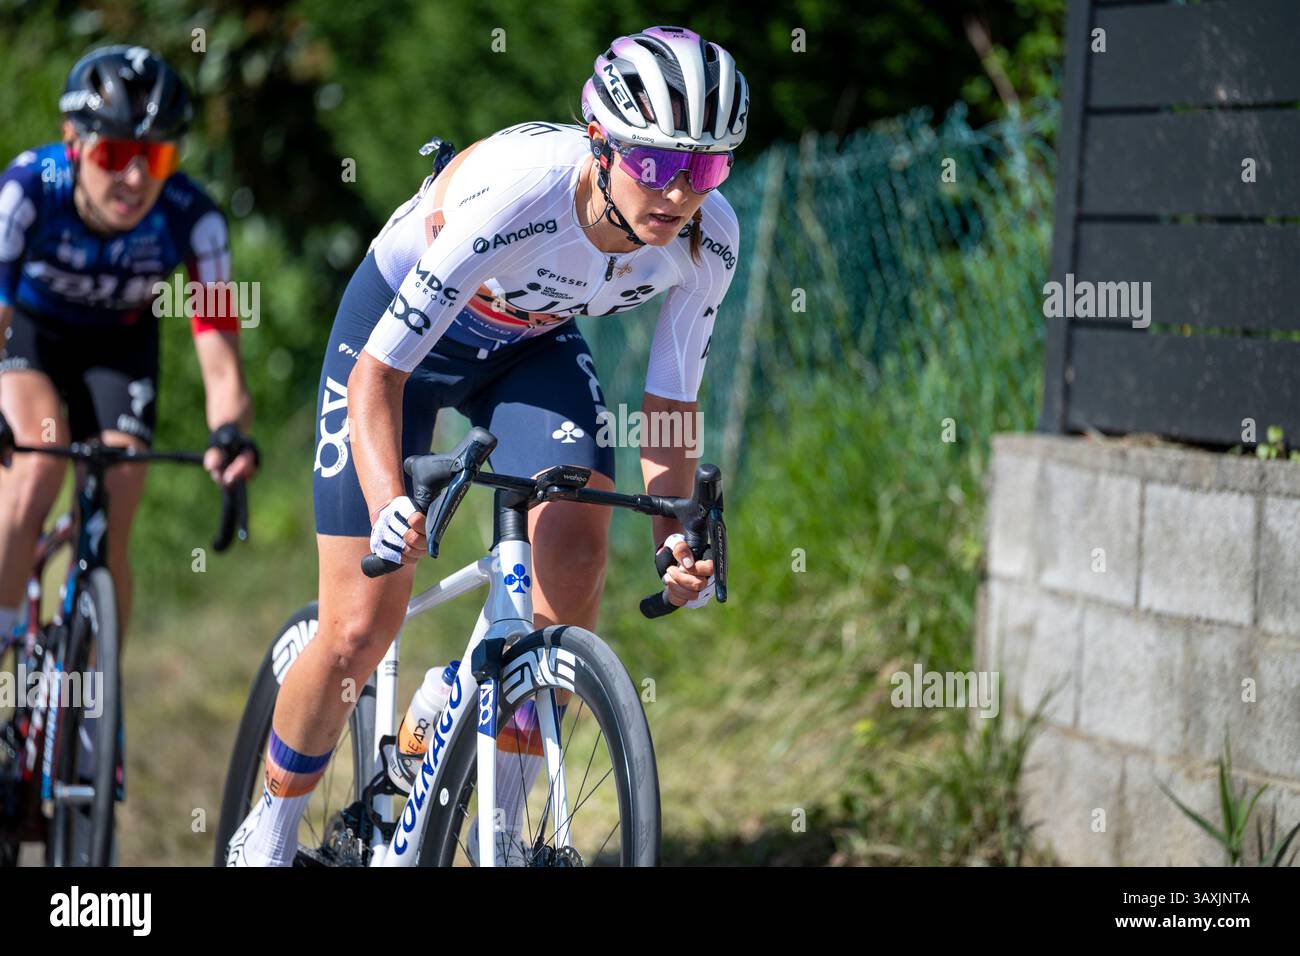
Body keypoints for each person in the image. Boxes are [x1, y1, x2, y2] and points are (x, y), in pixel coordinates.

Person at [226, 24, 747, 867]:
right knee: (362, 620)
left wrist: (673, 530)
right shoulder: (520, 198)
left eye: (707, 166)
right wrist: (391, 499)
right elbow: (378, 380)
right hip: (401, 343)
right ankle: (271, 831)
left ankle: (491, 823)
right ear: (602, 143)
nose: (680, 192)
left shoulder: (706, 237)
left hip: (528, 344)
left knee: (573, 564)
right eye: (656, 163)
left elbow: (671, 398)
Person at [0, 45, 258, 653]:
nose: (136, 179)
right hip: (30, 334)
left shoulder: (195, 220)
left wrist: (229, 435)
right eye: (116, 154)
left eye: (156, 156)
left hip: (120, 345)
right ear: (74, 140)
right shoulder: (26, 190)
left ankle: (94, 709)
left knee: (117, 499)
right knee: (39, 461)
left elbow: (223, 363)